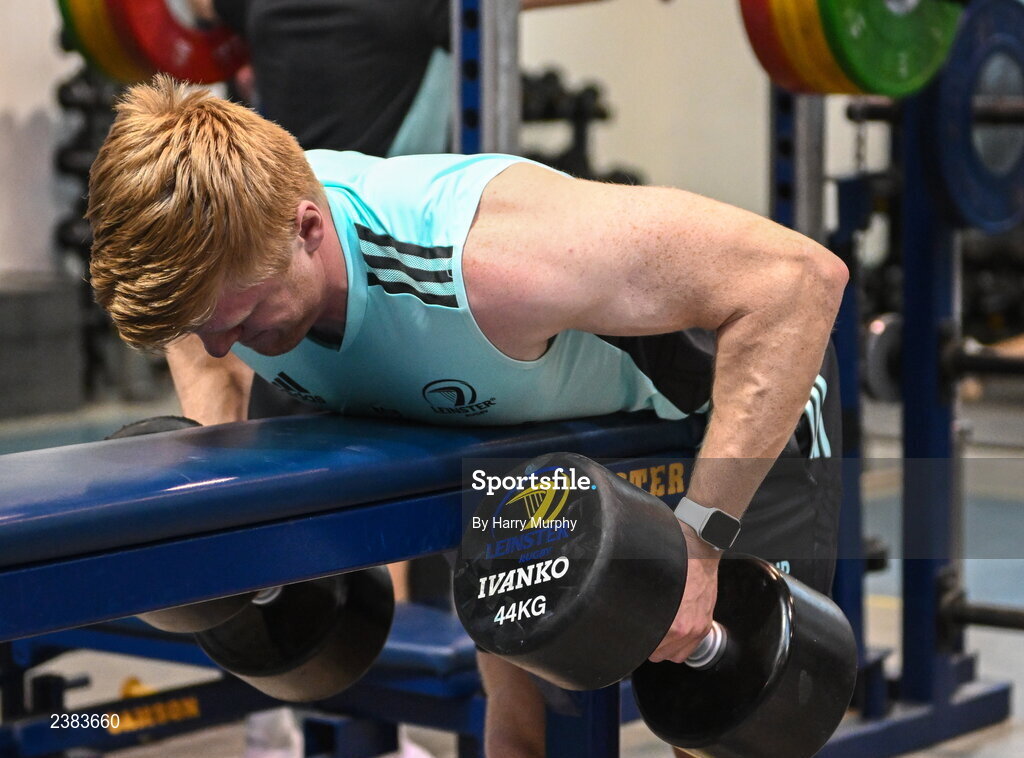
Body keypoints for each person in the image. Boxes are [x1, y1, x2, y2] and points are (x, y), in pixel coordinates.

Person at [87, 77, 847, 758]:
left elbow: (796, 282)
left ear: (308, 230)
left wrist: (704, 541)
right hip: (514, 430)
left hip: (720, 417)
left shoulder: (487, 257)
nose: (220, 343)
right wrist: (234, 509)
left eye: (241, 318)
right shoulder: (221, 262)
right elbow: (201, 347)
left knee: (726, 723)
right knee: (525, 732)